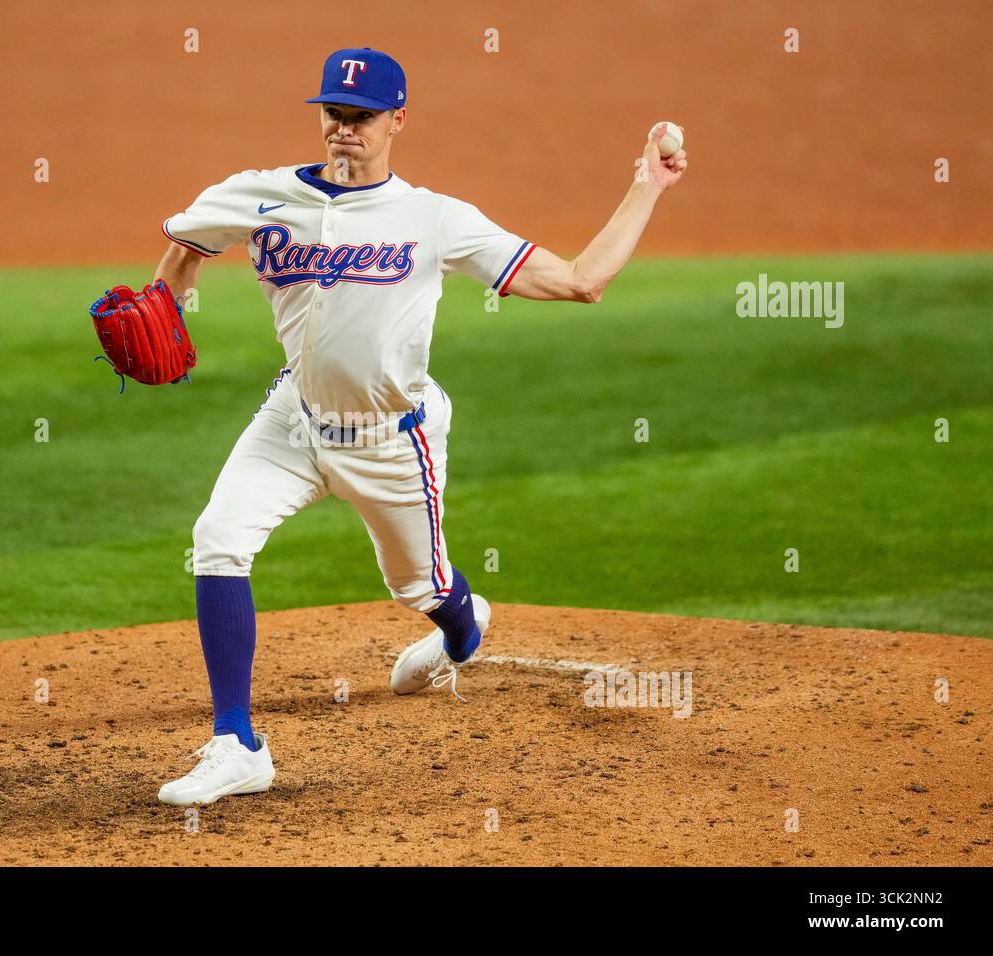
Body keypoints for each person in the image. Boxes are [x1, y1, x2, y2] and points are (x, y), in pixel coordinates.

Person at [153, 47, 688, 806]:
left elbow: (581, 281)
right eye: (334, 114)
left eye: (362, 117)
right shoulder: (258, 196)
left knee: (420, 585)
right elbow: (184, 250)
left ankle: (461, 630)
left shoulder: (435, 219)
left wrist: (648, 185)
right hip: (293, 419)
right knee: (218, 539)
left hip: (391, 440)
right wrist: (167, 303)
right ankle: (236, 743)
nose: (344, 129)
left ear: (397, 120)